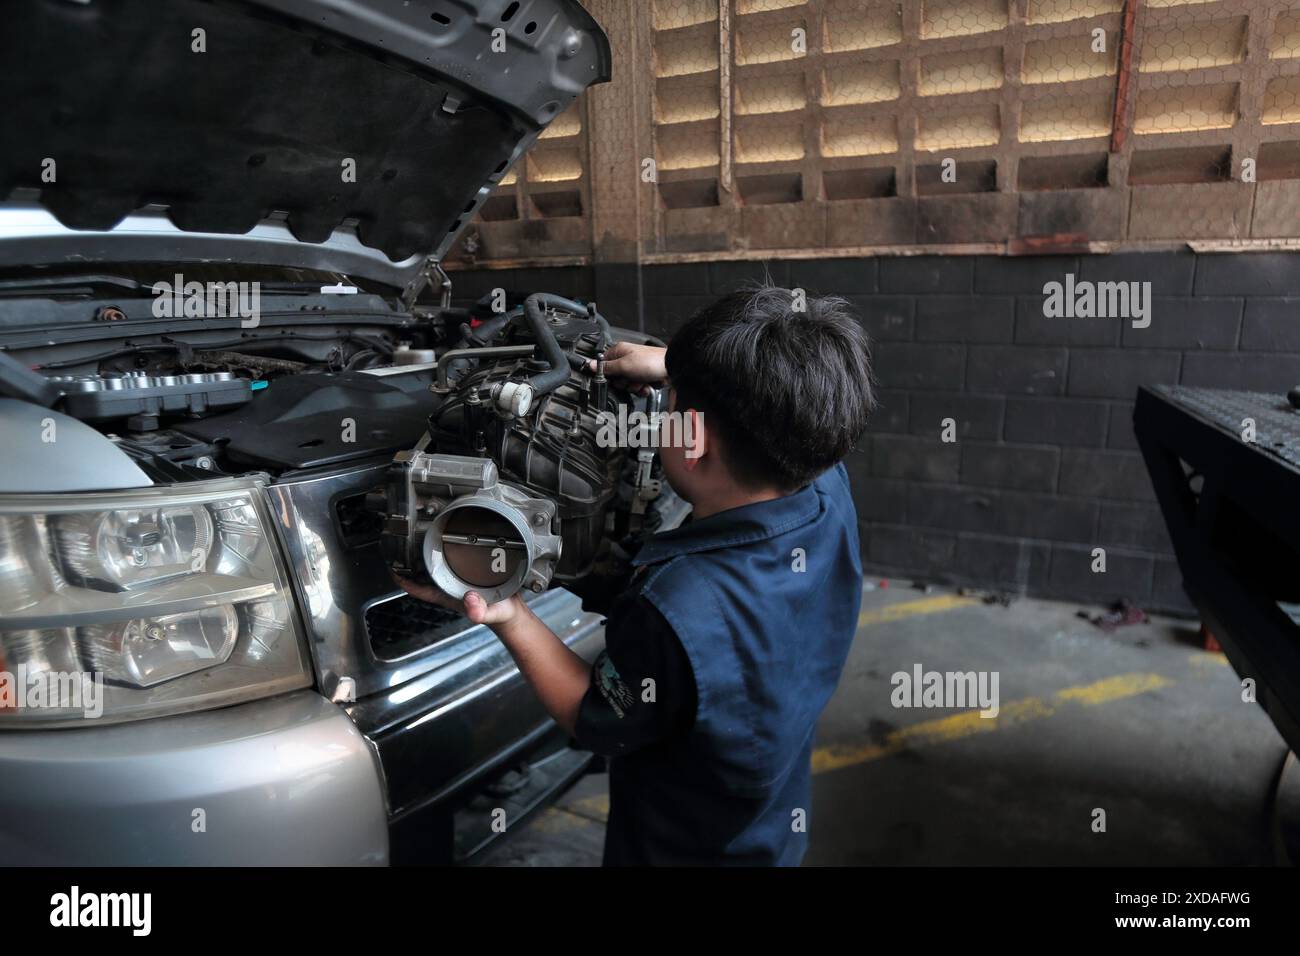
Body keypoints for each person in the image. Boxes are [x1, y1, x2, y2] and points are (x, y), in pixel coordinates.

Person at [397, 285, 876, 865]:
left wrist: (511, 615)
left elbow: (592, 716)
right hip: (770, 811)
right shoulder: (823, 481)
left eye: (670, 407)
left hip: (680, 846)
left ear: (691, 443)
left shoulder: (680, 608)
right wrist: (676, 367)